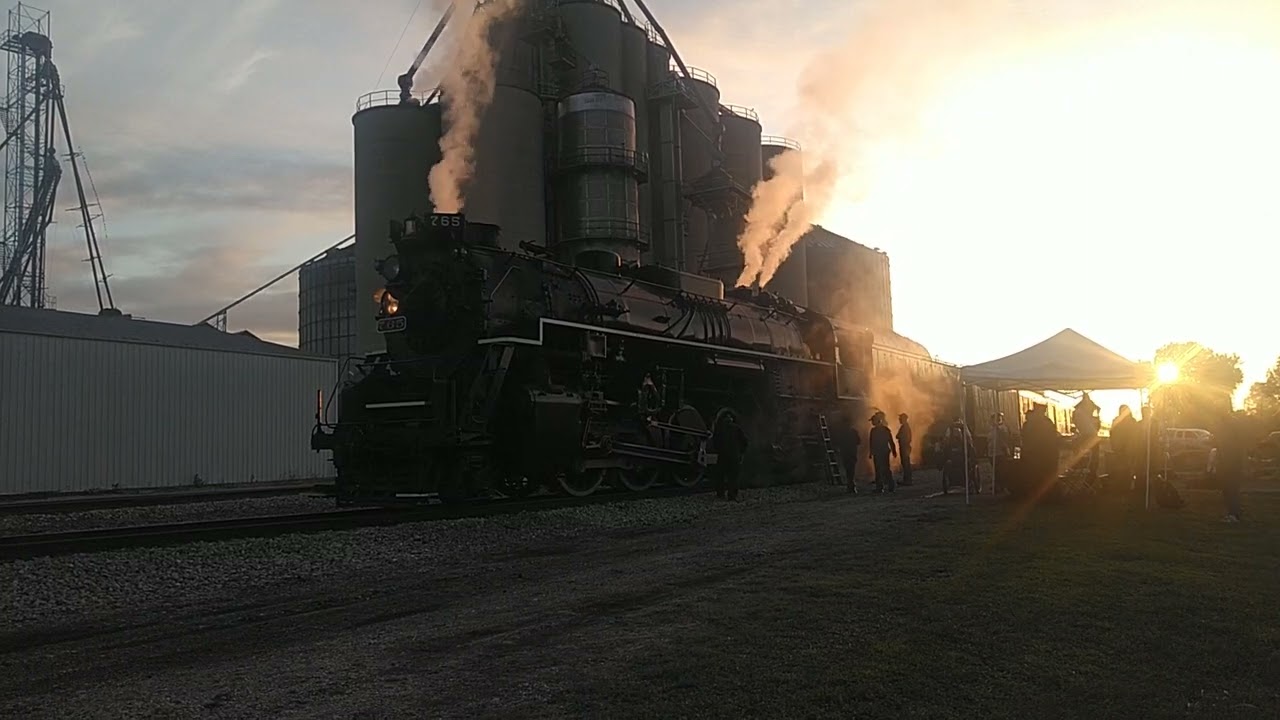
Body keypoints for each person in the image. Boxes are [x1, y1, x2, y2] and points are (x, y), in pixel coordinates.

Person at [1215, 412, 1248, 522]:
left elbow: (1228, 447)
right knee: (1230, 489)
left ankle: (1233, 514)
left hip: (1231, 463)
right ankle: (1234, 512)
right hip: (1231, 463)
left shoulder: (1229, 428)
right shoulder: (1232, 425)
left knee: (1231, 489)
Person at [712, 412, 748, 501]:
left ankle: (720, 494)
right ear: (731, 419)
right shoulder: (737, 428)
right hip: (734, 456)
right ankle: (732, 495)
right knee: (733, 476)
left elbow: (714, 442)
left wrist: (718, 450)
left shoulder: (719, 429)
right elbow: (745, 441)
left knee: (720, 475)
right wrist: (741, 452)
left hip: (722, 455)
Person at [941, 416, 975, 495]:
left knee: (948, 464)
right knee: (967, 465)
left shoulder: (950, 428)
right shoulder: (963, 427)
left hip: (953, 455)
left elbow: (946, 439)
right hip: (962, 454)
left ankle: (951, 480)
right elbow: (969, 438)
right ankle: (968, 481)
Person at [869, 412, 897, 493]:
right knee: (884, 469)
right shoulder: (885, 430)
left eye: (873, 421)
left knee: (881, 469)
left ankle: (881, 487)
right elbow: (890, 441)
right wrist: (894, 451)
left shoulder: (874, 431)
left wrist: (871, 452)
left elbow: (872, 442)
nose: (872, 422)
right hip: (883, 451)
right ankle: (889, 486)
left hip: (880, 452)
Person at [1109, 405, 1136, 491]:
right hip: (1124, 448)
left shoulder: (1119, 420)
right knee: (1124, 467)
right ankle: (1123, 485)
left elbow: (1112, 433)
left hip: (1125, 448)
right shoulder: (1131, 421)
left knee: (1124, 467)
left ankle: (1122, 485)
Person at [989, 412, 1013, 494]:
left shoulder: (1003, 428)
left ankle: (1002, 486)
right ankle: (997, 485)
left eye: (998, 418)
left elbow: (1005, 437)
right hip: (992, 452)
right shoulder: (991, 429)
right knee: (995, 470)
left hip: (1001, 452)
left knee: (1001, 470)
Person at [896, 413, 914, 486]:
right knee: (905, 463)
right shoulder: (905, 427)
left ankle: (907, 480)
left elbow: (898, 436)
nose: (899, 419)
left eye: (900, 418)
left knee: (906, 463)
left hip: (904, 447)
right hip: (905, 447)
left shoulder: (904, 427)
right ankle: (907, 479)